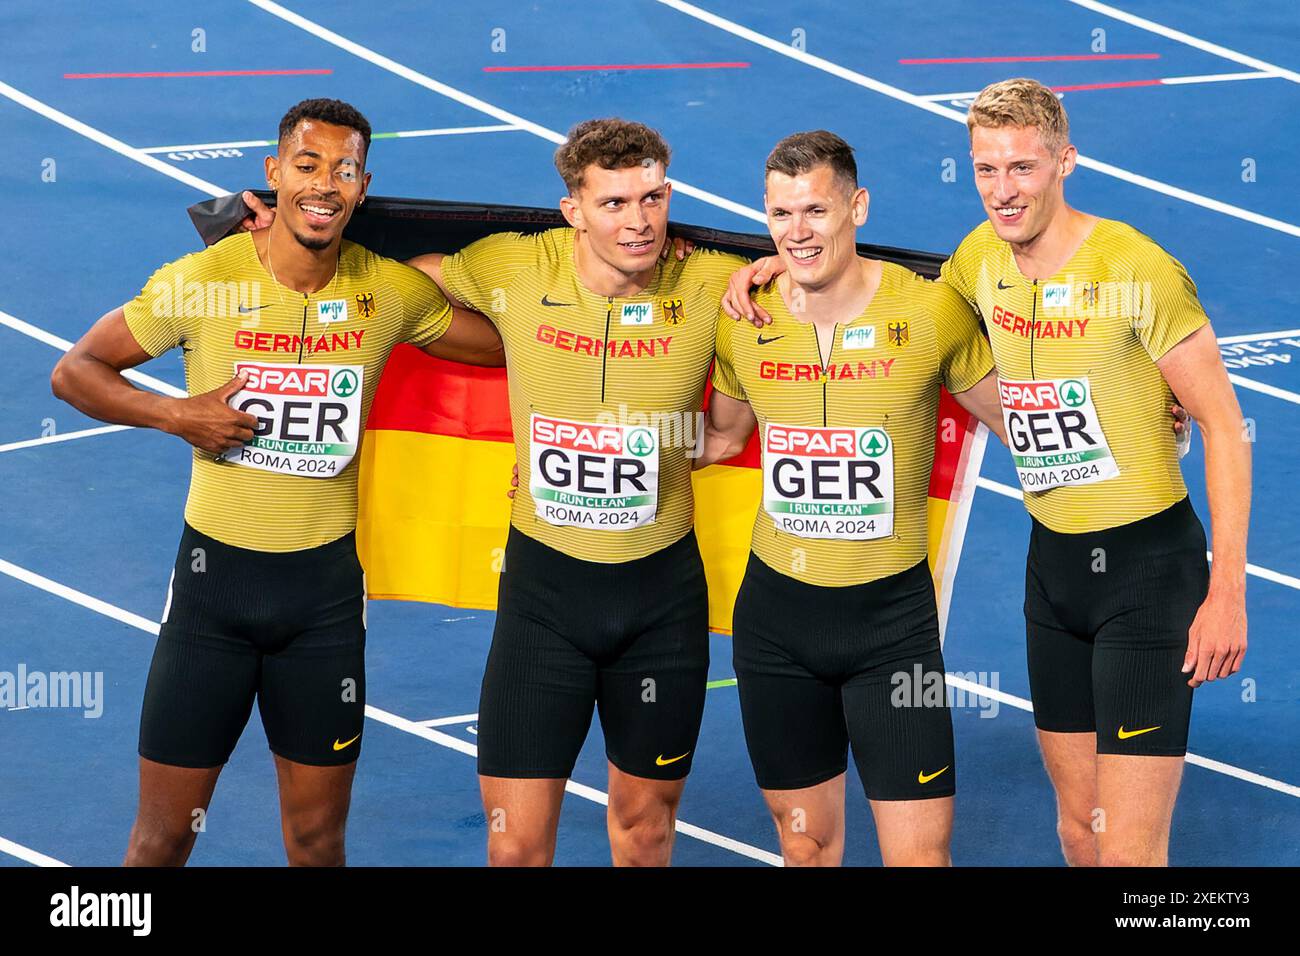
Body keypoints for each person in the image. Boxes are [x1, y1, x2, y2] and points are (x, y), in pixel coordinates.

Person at [245, 117, 751, 866]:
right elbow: (391, 284)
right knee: (514, 847)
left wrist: (758, 278)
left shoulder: (713, 282)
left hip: (660, 601)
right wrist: (284, 244)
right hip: (544, 603)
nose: (639, 221)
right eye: (613, 203)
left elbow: (735, 428)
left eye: (652, 198)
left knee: (644, 837)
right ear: (573, 209)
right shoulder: (512, 267)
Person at [50, 98, 504, 866]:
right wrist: (176, 415)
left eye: (344, 170)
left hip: (322, 606)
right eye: (307, 164)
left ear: (364, 187)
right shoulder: (205, 280)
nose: (325, 183)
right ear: (273, 173)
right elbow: (75, 372)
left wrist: (472, 269)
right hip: (210, 600)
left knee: (317, 841)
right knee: (160, 840)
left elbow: (507, 349)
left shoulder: (388, 292)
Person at [940, 78, 1249, 867]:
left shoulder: (1138, 268)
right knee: (1081, 831)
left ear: (1064, 161)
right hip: (1054, 574)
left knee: (1130, 852)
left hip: (1148, 576)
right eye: (986, 170)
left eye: (1022, 168)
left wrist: (1227, 595)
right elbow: (899, 325)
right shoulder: (978, 259)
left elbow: (1222, 426)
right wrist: (770, 269)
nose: (1003, 192)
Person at [695, 131, 1006, 865]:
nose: (797, 232)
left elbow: (1017, 418)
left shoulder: (931, 312)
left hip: (894, 632)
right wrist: (615, 442)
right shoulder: (743, 319)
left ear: (857, 206)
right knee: (806, 852)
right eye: (781, 215)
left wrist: (1147, 403)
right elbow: (719, 438)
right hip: (776, 626)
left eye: (816, 211)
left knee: (922, 859)